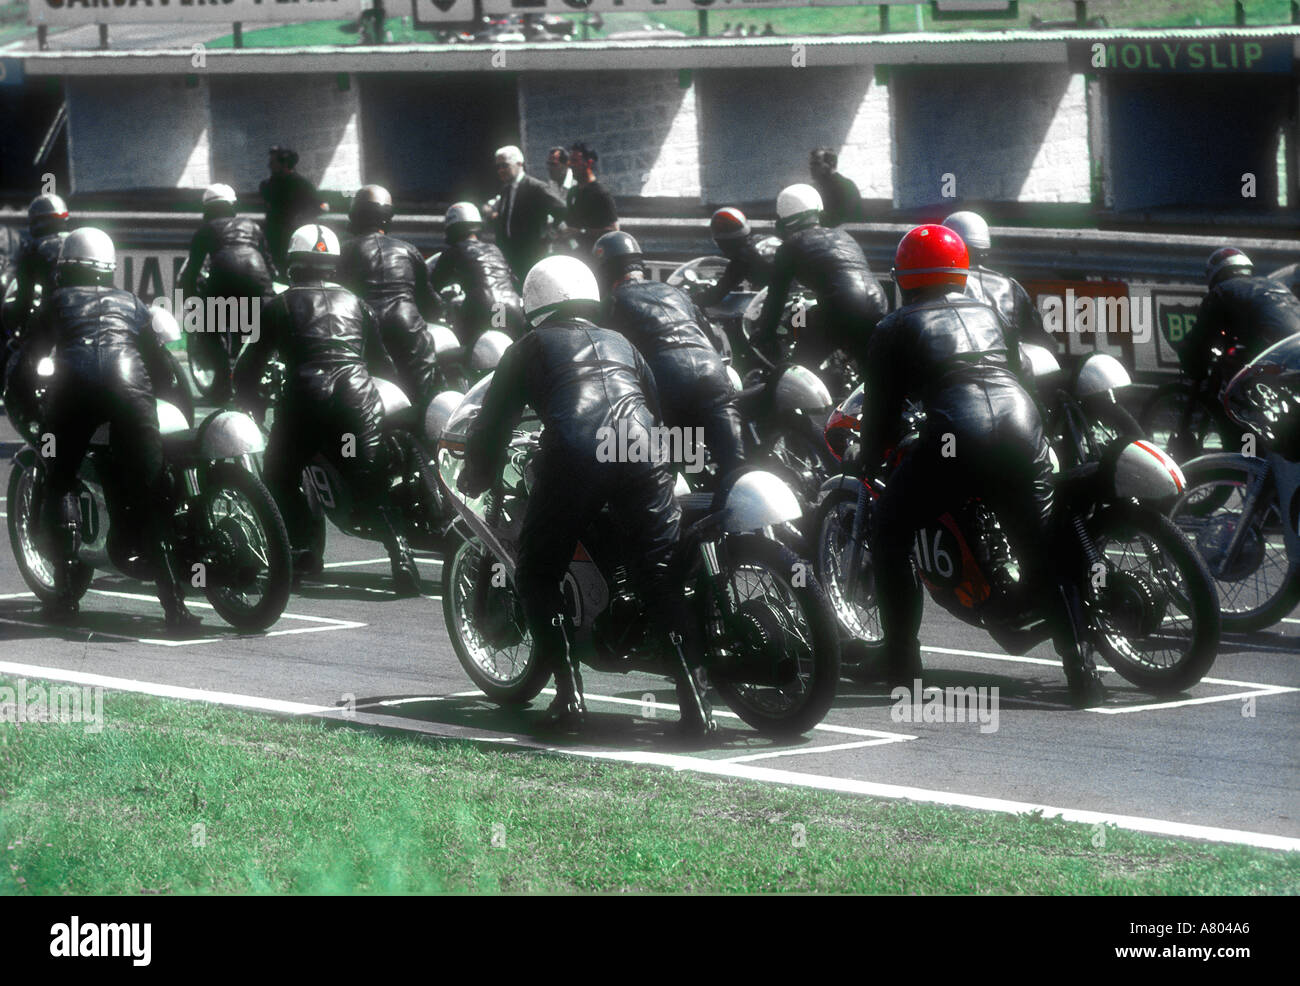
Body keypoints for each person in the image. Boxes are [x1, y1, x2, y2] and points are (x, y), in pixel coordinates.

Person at [457, 255, 718, 738]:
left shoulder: (527, 347)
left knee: (536, 572)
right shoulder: (621, 341)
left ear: (534, 301)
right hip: (642, 448)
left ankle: (568, 698)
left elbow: (492, 426)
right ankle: (696, 708)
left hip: (577, 452)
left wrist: (477, 473)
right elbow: (653, 407)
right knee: (660, 577)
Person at [858, 224, 1104, 707]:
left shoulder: (893, 327)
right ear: (960, 272)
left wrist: (870, 459)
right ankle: (1083, 673)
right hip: (1020, 425)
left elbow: (882, 413)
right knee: (1043, 550)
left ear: (903, 278)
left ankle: (902, 662)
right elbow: (1020, 373)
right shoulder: (990, 311)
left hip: (958, 436)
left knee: (888, 533)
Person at [26, 227, 200, 631]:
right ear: (108, 267)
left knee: (60, 480)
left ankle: (66, 597)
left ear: (66, 265)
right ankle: (175, 607)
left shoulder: (55, 301)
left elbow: (27, 360)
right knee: (152, 488)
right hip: (130, 392)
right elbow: (161, 365)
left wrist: (31, 406)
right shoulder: (131, 303)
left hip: (74, 393)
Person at [234, 222, 420, 597]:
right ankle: (400, 550)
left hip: (306, 403)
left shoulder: (277, 305)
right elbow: (382, 364)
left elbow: (249, 367)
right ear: (333, 264)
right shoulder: (358, 303)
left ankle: (301, 550)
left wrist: (251, 409)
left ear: (293, 264)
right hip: (355, 402)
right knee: (367, 477)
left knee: (280, 474)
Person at [594, 231, 746, 476]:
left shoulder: (611, 303)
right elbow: (711, 336)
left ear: (605, 270)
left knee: (659, 474)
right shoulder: (676, 293)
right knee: (736, 469)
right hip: (713, 374)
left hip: (667, 383)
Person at [754, 183, 887, 379]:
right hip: (878, 303)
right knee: (873, 378)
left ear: (783, 220)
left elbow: (776, 297)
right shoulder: (843, 235)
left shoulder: (790, 245)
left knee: (796, 375)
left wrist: (764, 333)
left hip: (840, 307)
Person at [337, 184, 441, 407]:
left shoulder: (343, 252)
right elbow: (429, 302)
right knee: (425, 400)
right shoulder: (408, 250)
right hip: (407, 326)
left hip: (363, 330)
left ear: (355, 214)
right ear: (388, 217)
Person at [180, 183, 278, 401]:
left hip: (224, 275)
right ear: (232, 206)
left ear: (207, 209)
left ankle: (221, 389)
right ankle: (258, 385)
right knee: (260, 333)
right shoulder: (253, 226)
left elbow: (192, 271)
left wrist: (191, 304)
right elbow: (270, 265)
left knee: (209, 328)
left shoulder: (205, 231)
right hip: (258, 277)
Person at [1180, 247, 1300, 384]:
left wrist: (1195, 371)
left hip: (1273, 351)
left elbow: (1199, 337)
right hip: (1294, 346)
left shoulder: (1221, 291)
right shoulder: (1275, 284)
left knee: (1235, 371)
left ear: (1215, 273)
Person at [942, 211, 1050, 356]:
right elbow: (1044, 341)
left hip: (951, 373)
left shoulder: (935, 286)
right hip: (1007, 374)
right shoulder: (1011, 286)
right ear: (985, 251)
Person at [427, 202, 526, 345]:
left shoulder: (454, 251)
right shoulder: (494, 249)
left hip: (482, 308)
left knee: (463, 354)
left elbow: (432, 286)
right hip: (511, 306)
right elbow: (513, 281)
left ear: (452, 228)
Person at [490, 145, 567, 282]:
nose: (500, 170)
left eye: (505, 165)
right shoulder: (506, 189)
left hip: (531, 257)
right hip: (511, 258)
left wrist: (549, 233)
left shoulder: (535, 187)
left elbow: (562, 209)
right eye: (498, 167)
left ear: (519, 164)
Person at [11, 193, 71, 339]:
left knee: (17, 358)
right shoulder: (79, 241)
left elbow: (24, 300)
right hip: (90, 320)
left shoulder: (33, 250)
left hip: (52, 325)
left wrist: (13, 328)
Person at [259, 146, 325, 273]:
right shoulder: (270, 184)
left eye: (273, 162)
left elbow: (320, 206)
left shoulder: (301, 184)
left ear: (284, 164)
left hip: (291, 237)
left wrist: (300, 218)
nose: (269, 165)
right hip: (275, 237)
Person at [696, 206, 777, 308]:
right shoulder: (765, 239)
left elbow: (714, 296)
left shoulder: (741, 261)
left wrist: (692, 300)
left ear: (721, 242)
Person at [565, 142, 619, 255]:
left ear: (588, 163)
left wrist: (581, 232)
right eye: (570, 161)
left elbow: (614, 231)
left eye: (575, 161)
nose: (570, 165)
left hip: (595, 256)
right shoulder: (572, 192)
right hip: (576, 255)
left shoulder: (601, 193)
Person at [809, 147, 862, 228]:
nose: (811, 168)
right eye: (811, 164)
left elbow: (846, 219)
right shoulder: (816, 187)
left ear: (831, 164)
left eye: (816, 164)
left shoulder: (847, 186)